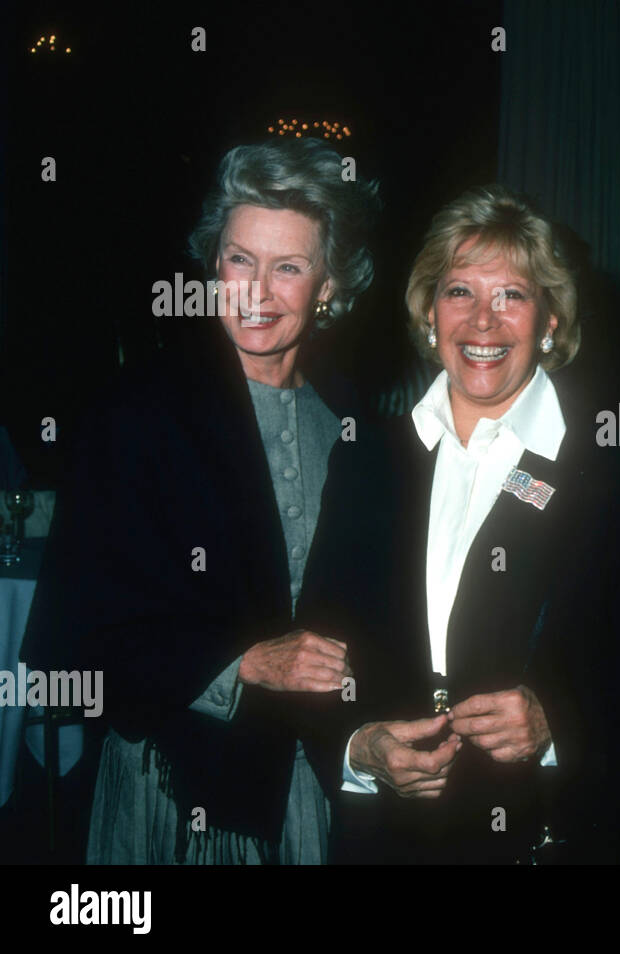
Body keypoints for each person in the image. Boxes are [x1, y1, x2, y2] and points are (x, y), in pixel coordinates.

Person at [297, 184, 620, 863]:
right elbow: (319, 650)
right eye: (459, 293)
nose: (483, 320)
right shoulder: (369, 457)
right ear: (428, 313)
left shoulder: (619, 468)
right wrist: (359, 747)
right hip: (387, 842)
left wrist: (558, 721)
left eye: (511, 294)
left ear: (550, 323)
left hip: (545, 837)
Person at [21, 138, 381, 863]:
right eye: (239, 259)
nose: (256, 290)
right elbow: (73, 637)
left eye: (289, 268)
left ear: (330, 287)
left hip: (313, 789)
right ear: (213, 264)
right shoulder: (137, 412)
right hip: (176, 792)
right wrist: (241, 664)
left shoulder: (354, 425)